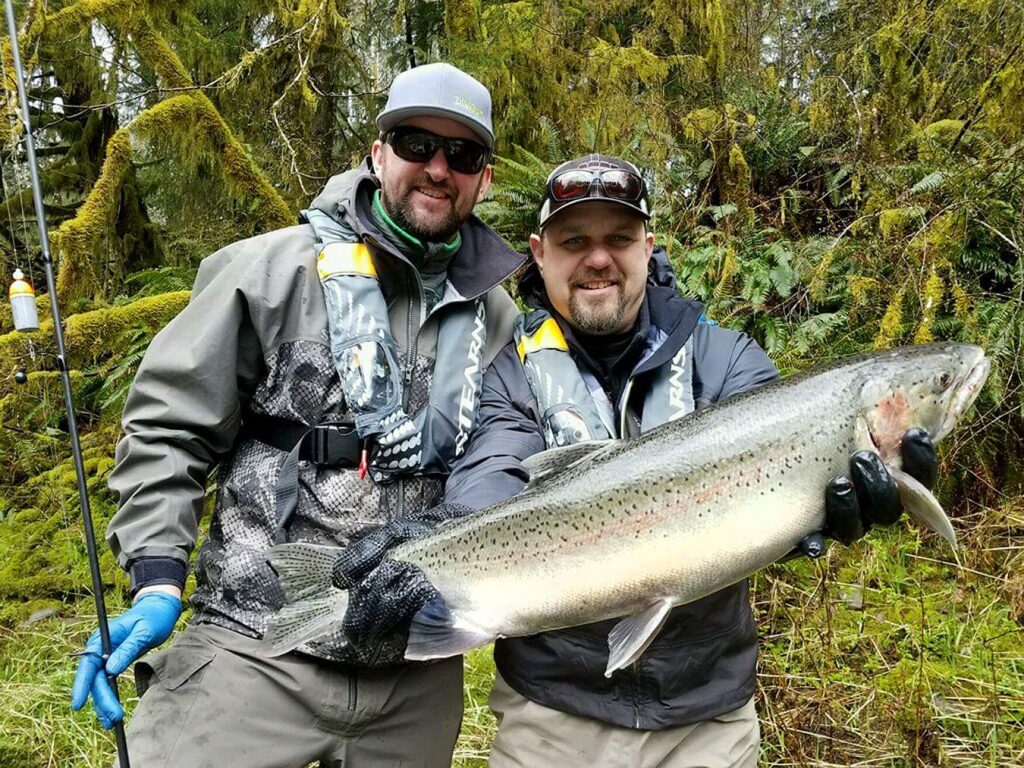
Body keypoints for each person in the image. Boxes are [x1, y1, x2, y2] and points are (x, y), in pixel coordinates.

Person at [340, 153, 939, 767]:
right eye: (575, 240)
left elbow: (786, 493)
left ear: (648, 249)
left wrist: (840, 507)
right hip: (551, 716)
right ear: (539, 253)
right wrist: (435, 541)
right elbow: (490, 481)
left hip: (706, 720)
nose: (598, 258)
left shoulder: (728, 363)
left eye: (619, 239)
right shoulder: (510, 375)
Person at [70, 62, 525, 767]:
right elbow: (169, 426)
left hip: (413, 676)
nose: (438, 168)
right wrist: (158, 574)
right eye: (415, 144)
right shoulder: (270, 273)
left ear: (484, 178)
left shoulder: (499, 320)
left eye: (461, 154)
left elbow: (504, 467)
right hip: (252, 645)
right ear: (377, 154)